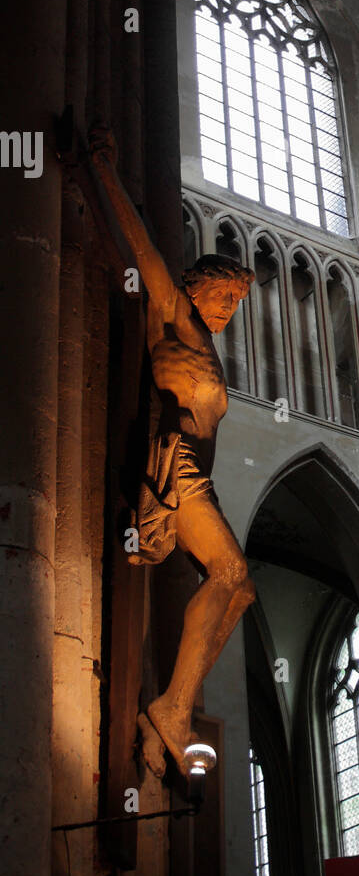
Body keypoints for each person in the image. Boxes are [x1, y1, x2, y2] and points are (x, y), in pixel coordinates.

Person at [90, 124, 256, 779]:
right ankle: (173, 708)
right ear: (196, 287)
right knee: (233, 576)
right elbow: (145, 252)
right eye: (222, 295)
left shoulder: (207, 344)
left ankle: (169, 716)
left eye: (237, 303)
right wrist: (102, 168)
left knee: (238, 594)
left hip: (199, 479)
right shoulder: (176, 316)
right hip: (178, 468)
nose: (227, 309)